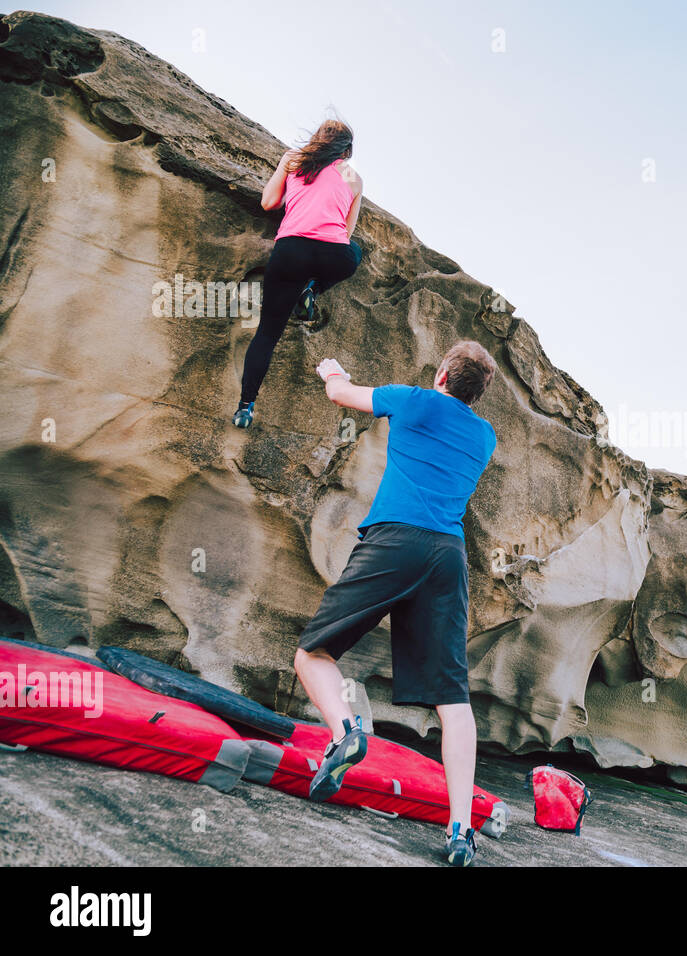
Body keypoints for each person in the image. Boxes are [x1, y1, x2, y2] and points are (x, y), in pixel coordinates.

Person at [292, 341, 498, 867]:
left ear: (443, 373)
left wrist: (332, 370)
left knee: (312, 654)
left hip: (395, 540)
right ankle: (460, 831)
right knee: (453, 700)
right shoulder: (484, 435)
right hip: (447, 556)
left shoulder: (415, 400)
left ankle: (345, 732)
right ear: (477, 392)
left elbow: (342, 395)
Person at [233, 119, 364, 428]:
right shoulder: (352, 176)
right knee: (354, 252)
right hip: (333, 253)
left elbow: (268, 202)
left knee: (267, 334)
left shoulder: (295, 159)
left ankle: (245, 408)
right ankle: (313, 289)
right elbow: (347, 233)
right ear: (346, 151)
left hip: (291, 250)